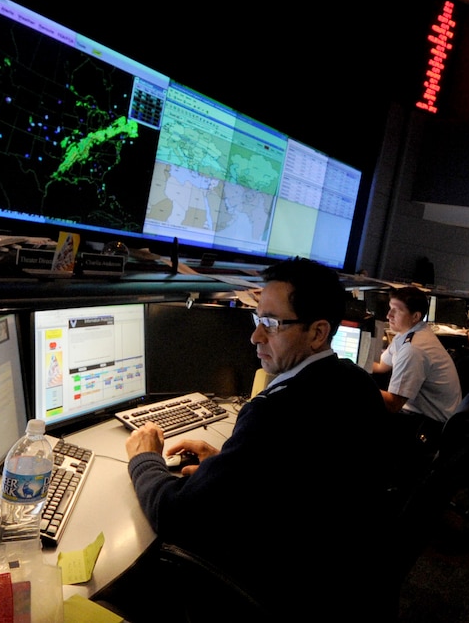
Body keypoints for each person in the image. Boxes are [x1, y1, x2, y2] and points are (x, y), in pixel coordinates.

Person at [123, 257, 396, 621]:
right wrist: (229, 465)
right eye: (257, 318)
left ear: (317, 332)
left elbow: (177, 516)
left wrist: (144, 460)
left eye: (271, 323)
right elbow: (304, 471)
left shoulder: (276, 411)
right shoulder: (356, 383)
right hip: (349, 579)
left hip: (289, 590)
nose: (255, 336)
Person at [372, 285, 461, 470]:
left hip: (429, 427)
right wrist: (347, 364)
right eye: (390, 308)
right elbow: (381, 366)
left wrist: (355, 384)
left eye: (396, 311)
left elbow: (393, 404)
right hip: (419, 414)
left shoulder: (414, 348)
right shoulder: (407, 335)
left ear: (415, 316)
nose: (389, 315)